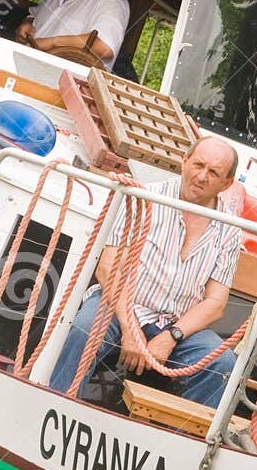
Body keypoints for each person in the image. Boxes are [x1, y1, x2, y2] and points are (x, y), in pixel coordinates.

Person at [48, 136, 243, 407]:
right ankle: (54, 410)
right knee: (84, 330)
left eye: (214, 173)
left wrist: (171, 336)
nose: (202, 176)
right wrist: (130, 329)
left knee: (221, 364)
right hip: (121, 307)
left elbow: (215, 303)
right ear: (184, 162)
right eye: (198, 165)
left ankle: (179, 443)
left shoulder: (230, 229)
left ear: (227, 184)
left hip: (177, 323)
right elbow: (108, 268)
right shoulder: (144, 197)